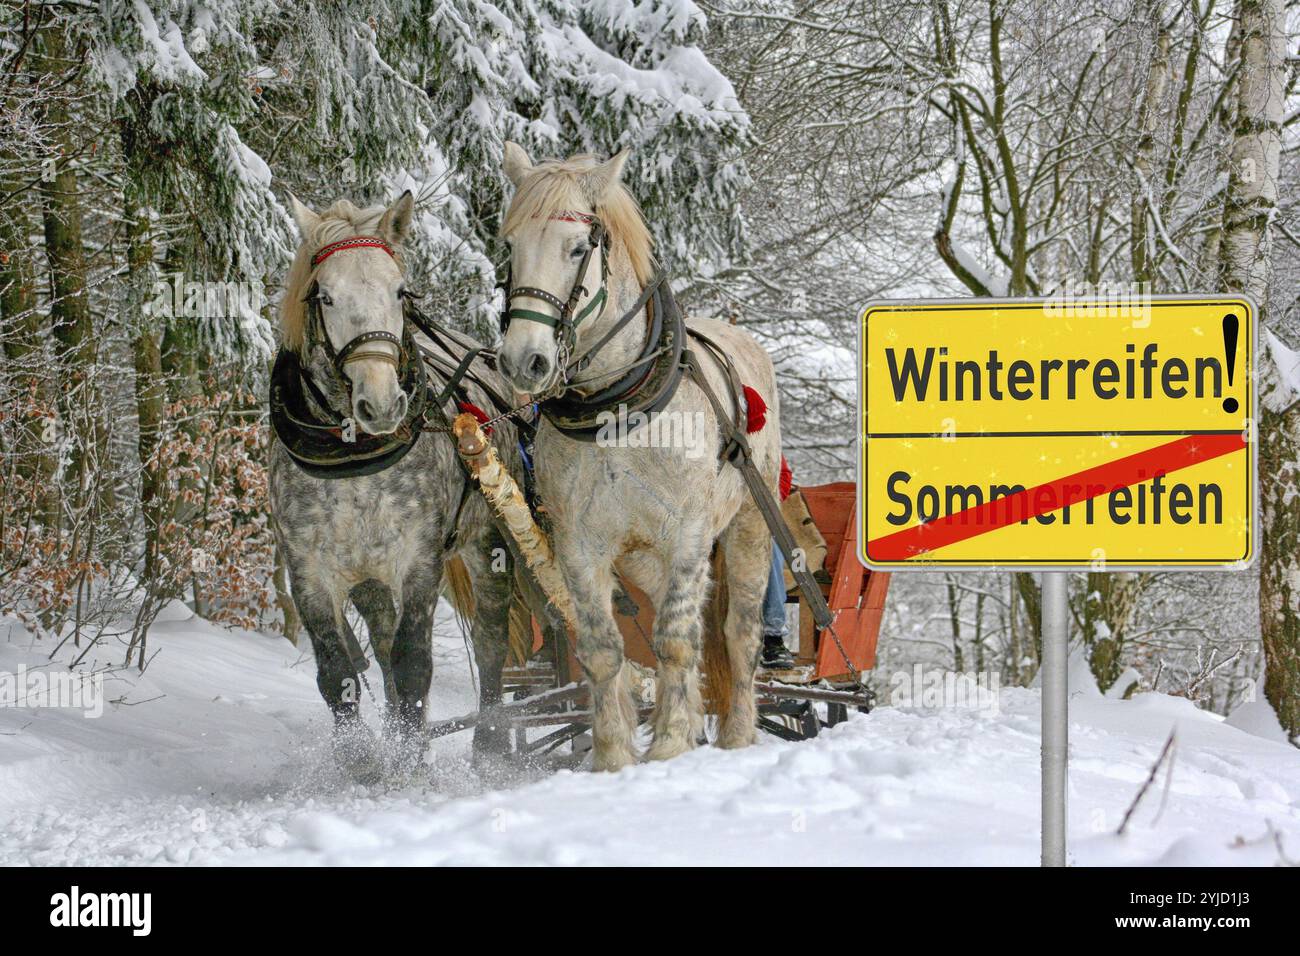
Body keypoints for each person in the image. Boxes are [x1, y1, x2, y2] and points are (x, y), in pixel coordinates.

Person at [760, 456, 796, 669]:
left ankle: (773, 636)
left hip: (752, 512)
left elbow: (783, 475)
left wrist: (766, 503)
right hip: (706, 513)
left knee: (770, 548)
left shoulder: (761, 434)